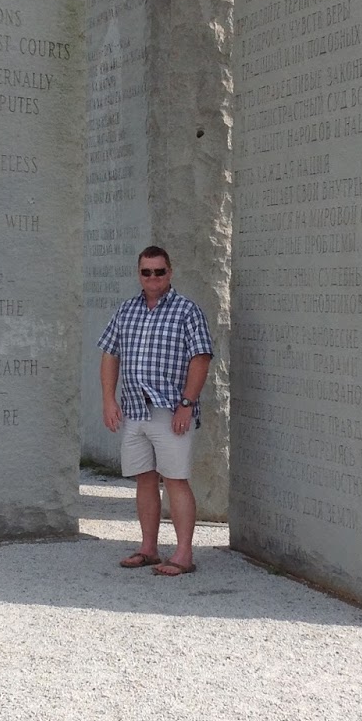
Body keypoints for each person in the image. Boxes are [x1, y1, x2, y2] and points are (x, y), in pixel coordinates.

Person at [97, 245, 213, 577]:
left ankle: (183, 555)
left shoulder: (187, 310)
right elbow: (109, 354)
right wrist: (109, 399)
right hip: (135, 410)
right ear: (139, 274)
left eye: (159, 271)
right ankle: (148, 548)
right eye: (146, 271)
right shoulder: (126, 310)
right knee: (144, 480)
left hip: (170, 410)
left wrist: (187, 404)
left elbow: (200, 358)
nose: (152, 277)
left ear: (170, 272)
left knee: (175, 480)